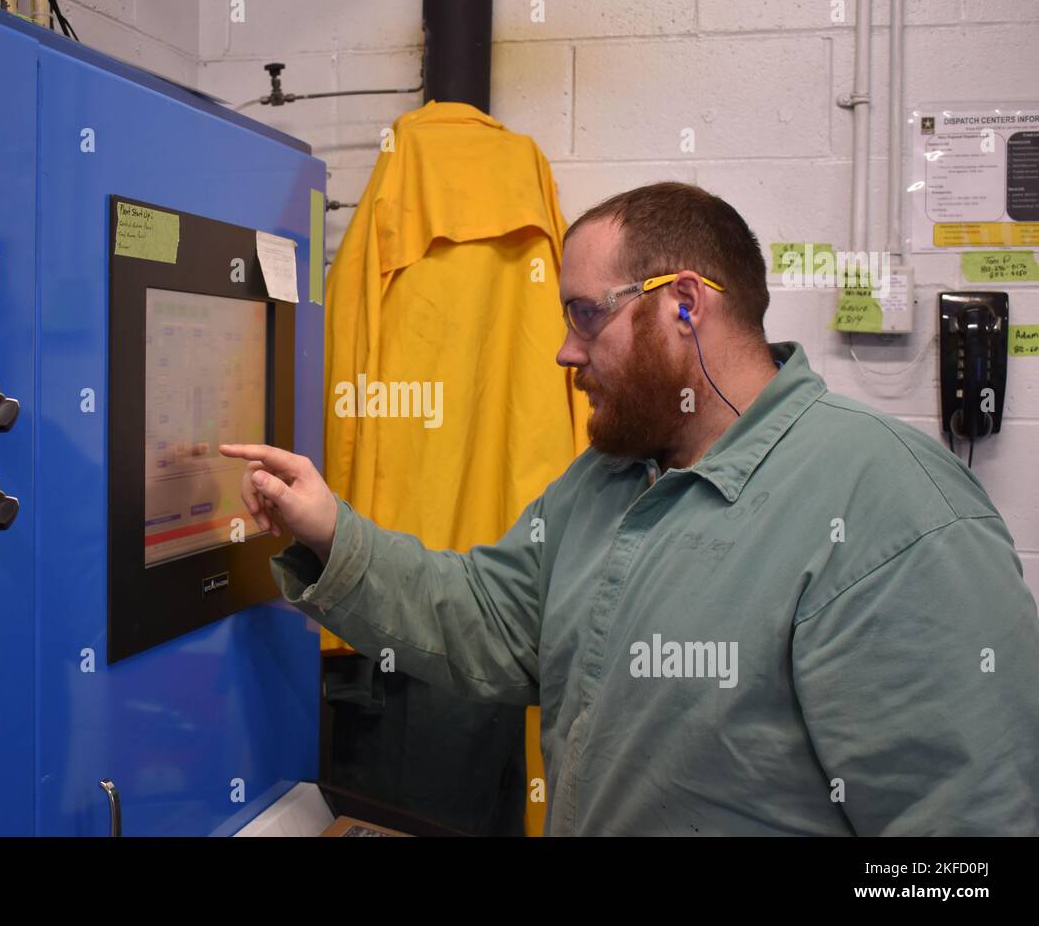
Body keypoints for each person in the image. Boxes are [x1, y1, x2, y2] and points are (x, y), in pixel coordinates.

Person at [220, 182, 1039, 836]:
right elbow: (490, 621)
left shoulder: (891, 508)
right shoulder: (610, 481)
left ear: (685, 303)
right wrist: (332, 531)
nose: (565, 350)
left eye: (585, 314)